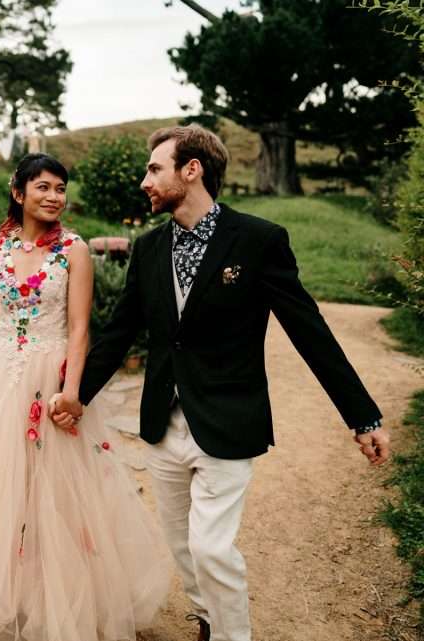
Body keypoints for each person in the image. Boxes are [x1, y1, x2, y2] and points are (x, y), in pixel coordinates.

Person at [51, 124, 391, 641]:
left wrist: (361, 415)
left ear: (192, 170)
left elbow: (310, 331)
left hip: (228, 418)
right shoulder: (147, 249)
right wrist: (76, 397)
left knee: (211, 547)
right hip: (163, 422)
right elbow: (118, 334)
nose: (145, 180)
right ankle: (208, 618)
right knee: (183, 545)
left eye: (154, 168)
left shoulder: (258, 241)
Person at [0, 153, 170, 641]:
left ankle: (57, 597)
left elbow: (79, 328)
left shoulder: (75, 250)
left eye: (60, 189)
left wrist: (71, 392)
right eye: (44, 187)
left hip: (51, 376)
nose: (53, 197)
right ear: (19, 192)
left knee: (57, 488)